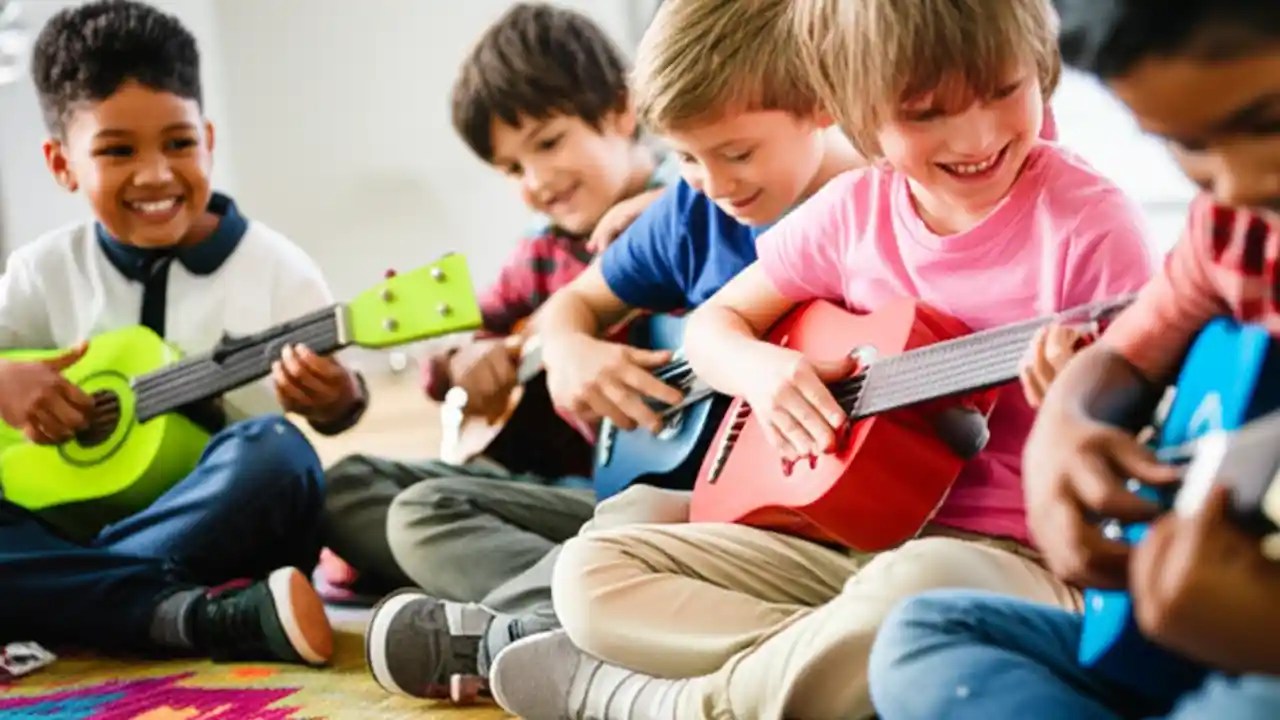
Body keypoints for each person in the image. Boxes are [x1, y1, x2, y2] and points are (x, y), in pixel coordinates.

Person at [489, 0, 1156, 718]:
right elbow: (717, 324)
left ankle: (674, 705)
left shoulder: (1091, 224)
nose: (977, 133)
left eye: (1003, 90)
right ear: (853, 111)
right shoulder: (854, 211)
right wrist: (764, 374)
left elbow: (1151, 439)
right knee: (596, 567)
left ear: (1042, 70)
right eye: (926, 112)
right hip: (845, 540)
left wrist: (1089, 405)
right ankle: (842, 666)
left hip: (1010, 558)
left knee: (916, 587)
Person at [363, 0, 864, 706]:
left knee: (624, 537)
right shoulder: (691, 211)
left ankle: (530, 634)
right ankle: (591, 626)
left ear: (822, 103)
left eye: (736, 154)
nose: (715, 183)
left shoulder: (872, 211)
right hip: (650, 491)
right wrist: (566, 347)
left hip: (777, 518)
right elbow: (573, 304)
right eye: (685, 158)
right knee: (421, 510)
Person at [867, 2, 1280, 718]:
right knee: (927, 633)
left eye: (1267, 122)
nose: (1236, 183)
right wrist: (1063, 423)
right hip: (1196, 626)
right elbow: (1128, 349)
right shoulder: (1235, 232)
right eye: (1189, 146)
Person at [0, 0, 369, 665]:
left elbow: (328, 416)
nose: (156, 174)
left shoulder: (277, 271)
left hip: (213, 524)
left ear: (210, 139)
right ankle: (189, 617)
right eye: (117, 151)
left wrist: (340, 401)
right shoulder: (39, 273)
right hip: (72, 519)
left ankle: (68, 594)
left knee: (279, 456)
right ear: (62, 164)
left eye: (179, 143)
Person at [319, 2, 673, 603]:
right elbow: (462, 341)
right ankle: (564, 587)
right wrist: (468, 360)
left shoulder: (695, 203)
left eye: (550, 142)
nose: (535, 181)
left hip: (666, 496)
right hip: (575, 493)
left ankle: (550, 597)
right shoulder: (538, 258)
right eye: (511, 167)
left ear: (621, 109)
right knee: (341, 488)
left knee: (424, 516)